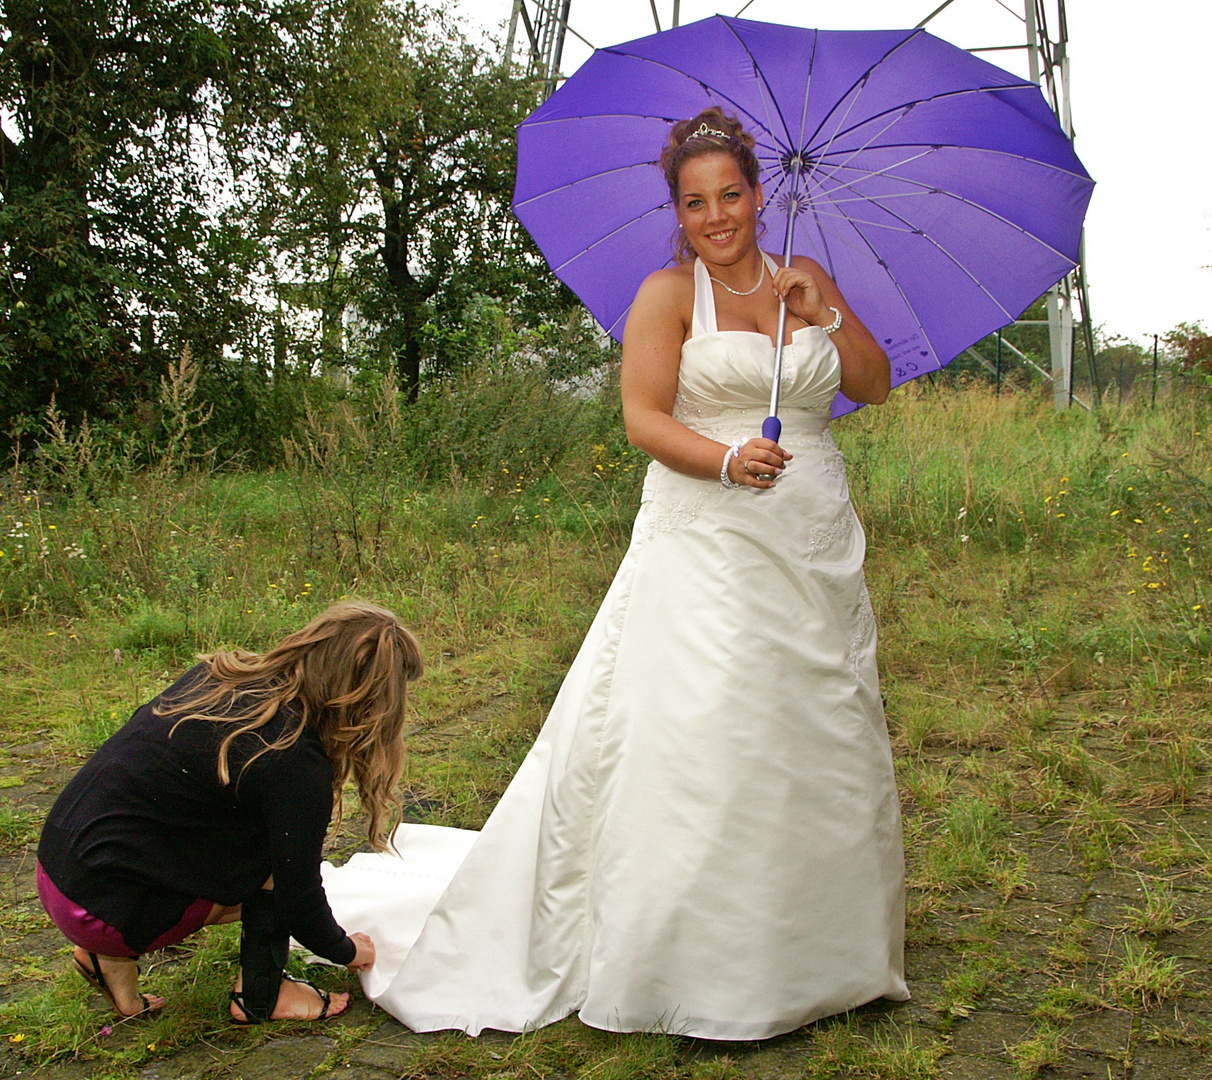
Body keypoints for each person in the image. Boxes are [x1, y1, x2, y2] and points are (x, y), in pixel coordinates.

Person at [322, 107, 908, 1040]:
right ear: (679, 211)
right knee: (713, 720)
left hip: (811, 533)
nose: (717, 216)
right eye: (695, 202)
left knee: (816, 718)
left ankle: (822, 950)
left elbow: (871, 383)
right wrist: (722, 462)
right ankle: (701, 957)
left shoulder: (808, 280)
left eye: (731, 196)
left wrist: (823, 312)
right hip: (708, 533)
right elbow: (642, 418)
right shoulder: (665, 295)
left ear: (760, 196)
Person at [36, 601, 423, 1023]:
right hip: (104, 909)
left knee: (242, 829)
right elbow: (299, 897)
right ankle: (262, 996)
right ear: (372, 700)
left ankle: (106, 961)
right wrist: (346, 950)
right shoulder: (294, 760)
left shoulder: (219, 676)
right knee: (276, 859)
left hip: (62, 871)